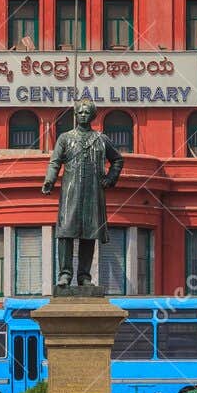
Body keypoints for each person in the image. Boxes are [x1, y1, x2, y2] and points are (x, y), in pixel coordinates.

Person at [42, 98, 123, 286]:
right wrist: (49, 180)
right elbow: (55, 162)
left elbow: (118, 160)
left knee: (89, 234)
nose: (83, 115)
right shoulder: (65, 138)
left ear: (93, 115)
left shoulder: (102, 140)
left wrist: (110, 179)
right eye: (80, 112)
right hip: (71, 192)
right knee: (65, 233)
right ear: (76, 115)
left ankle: (84, 276)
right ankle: (65, 274)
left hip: (93, 193)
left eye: (87, 112)